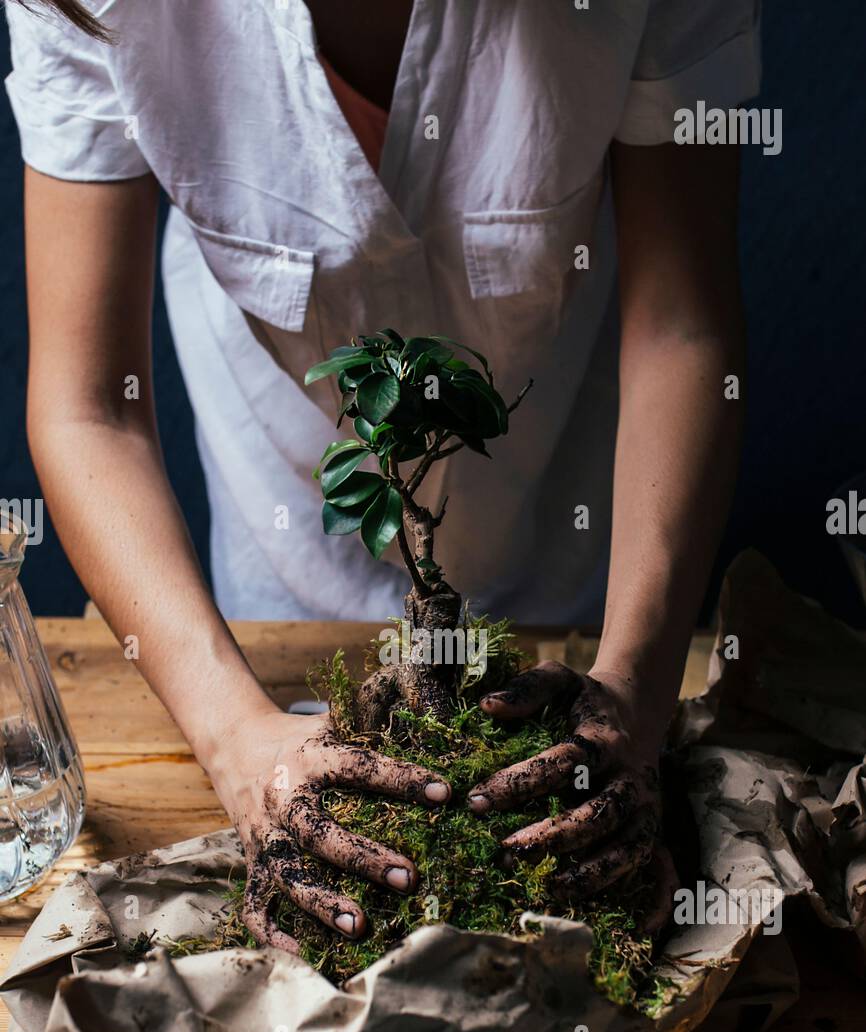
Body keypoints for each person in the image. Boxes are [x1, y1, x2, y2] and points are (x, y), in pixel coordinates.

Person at [6, 0, 758, 946]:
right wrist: (239, 739)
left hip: (568, 541)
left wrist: (635, 701)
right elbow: (87, 409)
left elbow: (684, 327)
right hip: (279, 567)